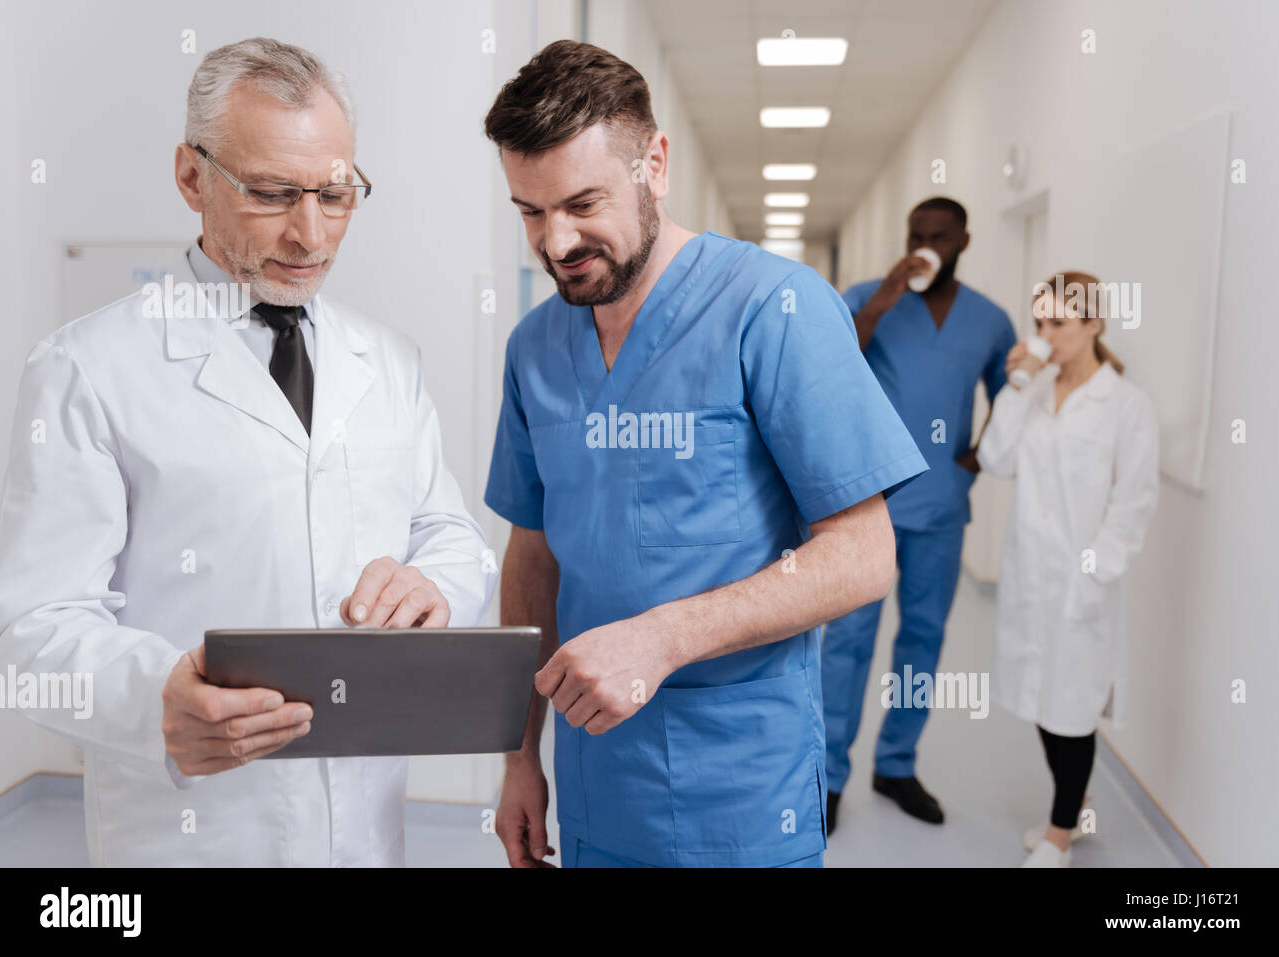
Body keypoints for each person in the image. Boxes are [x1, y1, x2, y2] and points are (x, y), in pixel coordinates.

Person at [0, 37, 493, 866]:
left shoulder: (387, 361)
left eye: (335, 194)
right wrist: (154, 697)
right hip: (193, 833)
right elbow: (29, 630)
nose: (310, 232)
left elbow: (449, 534)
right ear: (192, 177)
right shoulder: (89, 368)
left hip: (365, 833)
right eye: (271, 193)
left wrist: (434, 585)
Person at [482, 40, 927, 868]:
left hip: (742, 791)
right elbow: (533, 555)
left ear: (654, 164)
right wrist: (518, 757)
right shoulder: (534, 348)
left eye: (582, 202)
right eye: (530, 212)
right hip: (595, 783)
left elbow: (864, 556)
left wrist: (662, 637)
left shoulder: (775, 309)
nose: (557, 241)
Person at [822, 198, 1016, 830]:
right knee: (847, 643)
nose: (926, 245)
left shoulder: (989, 320)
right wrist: (882, 301)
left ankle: (896, 765)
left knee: (923, 639)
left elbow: (1013, 396)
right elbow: (827, 363)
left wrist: (975, 459)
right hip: (868, 506)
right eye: (916, 235)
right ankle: (827, 775)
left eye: (939, 236)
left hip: (940, 510)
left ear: (964, 242)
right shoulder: (867, 298)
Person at [977, 271, 1159, 867]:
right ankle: (1073, 806)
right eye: (1040, 323)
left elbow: (1134, 502)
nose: (1046, 334)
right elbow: (995, 459)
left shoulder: (1126, 406)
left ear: (1094, 324)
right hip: (1029, 575)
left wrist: (1095, 571)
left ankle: (1059, 836)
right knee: (1040, 698)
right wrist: (1015, 385)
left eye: (1058, 323)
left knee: (1072, 709)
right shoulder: (1033, 392)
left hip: (1083, 582)